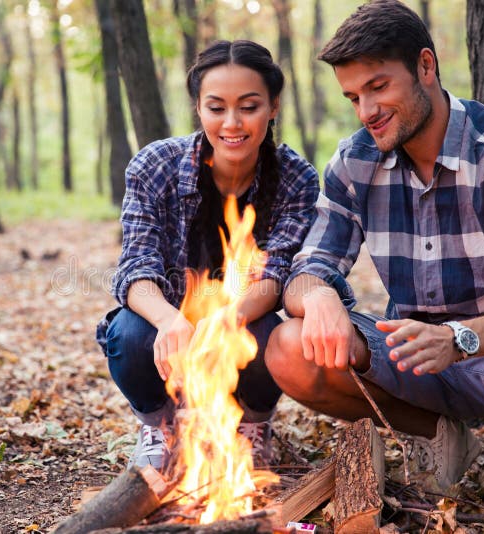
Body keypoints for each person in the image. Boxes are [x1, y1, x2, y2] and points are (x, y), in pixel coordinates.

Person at [265, 0, 484, 514]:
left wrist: (459, 340)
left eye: (378, 87)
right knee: (290, 346)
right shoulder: (355, 160)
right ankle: (436, 437)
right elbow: (308, 269)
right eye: (353, 96)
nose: (366, 111)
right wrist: (320, 298)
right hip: (412, 356)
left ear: (426, 66)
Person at [97, 39, 320, 472]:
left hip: (243, 326)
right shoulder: (154, 166)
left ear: (273, 107)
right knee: (126, 334)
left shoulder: (297, 178)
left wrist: (226, 320)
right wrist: (169, 320)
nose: (232, 123)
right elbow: (135, 267)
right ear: (198, 108)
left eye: (249, 107)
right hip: (169, 333)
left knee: (274, 335)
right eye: (216, 108)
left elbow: (278, 273)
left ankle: (252, 425)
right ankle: (160, 427)